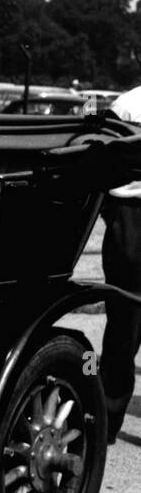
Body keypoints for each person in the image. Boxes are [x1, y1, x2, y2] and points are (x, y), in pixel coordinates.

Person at [100, 84, 141, 442]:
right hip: (129, 216)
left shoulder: (126, 104)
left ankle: (107, 419)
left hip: (128, 217)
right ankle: (108, 417)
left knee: (124, 325)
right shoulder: (127, 105)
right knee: (123, 324)